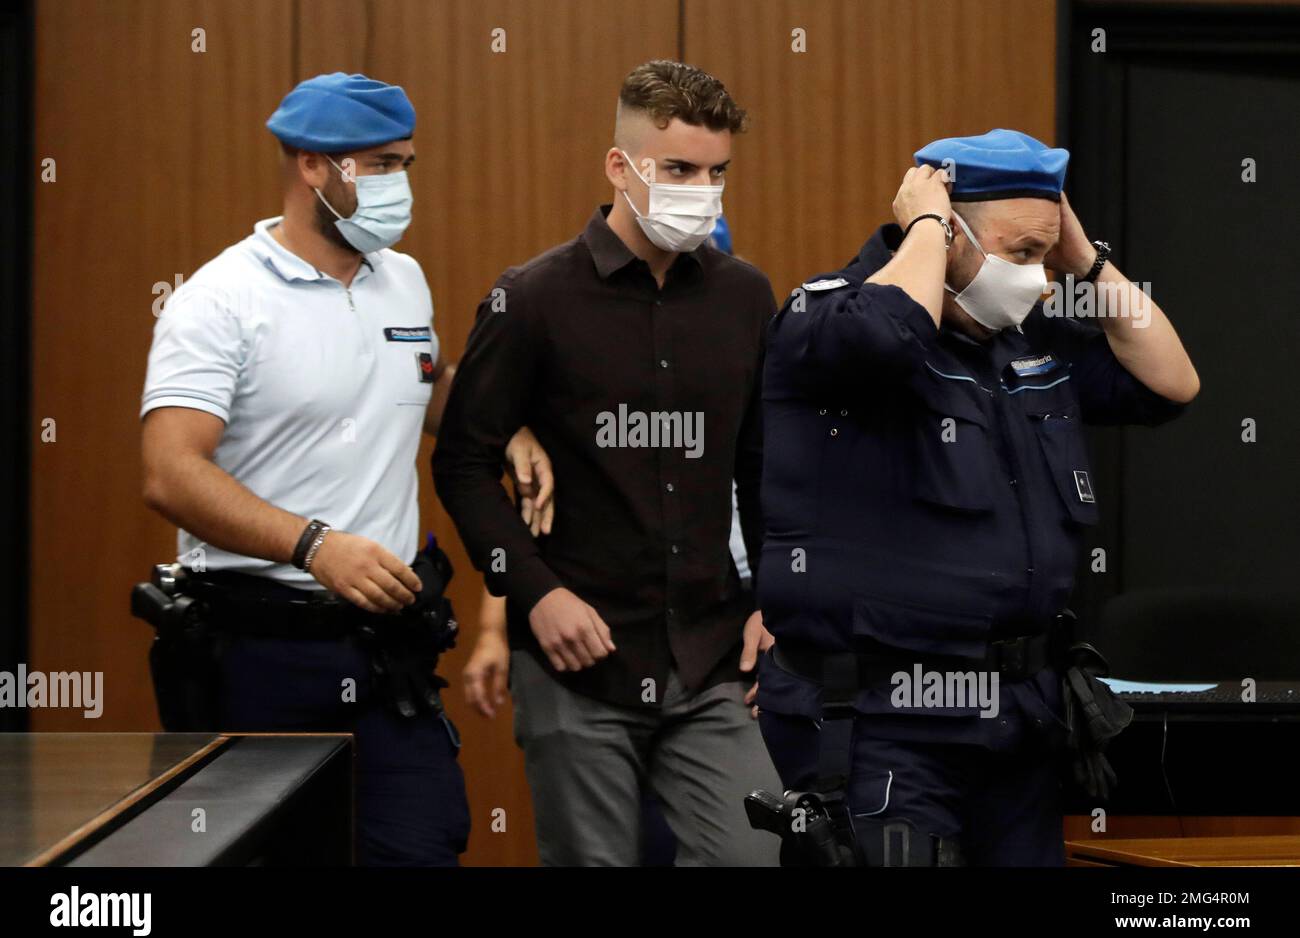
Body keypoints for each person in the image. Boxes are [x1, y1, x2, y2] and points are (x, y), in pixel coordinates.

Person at [754, 129, 1199, 866]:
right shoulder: (825, 318)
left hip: (1016, 718)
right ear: (950, 233)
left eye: (1045, 256)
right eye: (1021, 254)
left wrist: (1088, 260)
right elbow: (887, 340)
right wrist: (924, 224)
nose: (1039, 280)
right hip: (883, 722)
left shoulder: (1025, 345)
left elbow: (1170, 382)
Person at [139, 72, 545, 866]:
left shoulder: (401, 278)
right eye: (378, 165)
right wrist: (314, 545)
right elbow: (168, 471)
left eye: (405, 164)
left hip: (385, 654)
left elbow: (416, 382)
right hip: (259, 652)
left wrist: (504, 433)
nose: (398, 185)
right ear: (312, 166)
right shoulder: (220, 300)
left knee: (424, 845)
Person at [434, 60, 782, 866]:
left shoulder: (746, 298)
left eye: (717, 171)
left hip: (707, 655)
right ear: (619, 167)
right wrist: (536, 593)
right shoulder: (530, 299)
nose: (702, 188)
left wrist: (773, 597)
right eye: (679, 169)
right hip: (574, 658)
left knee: (755, 856)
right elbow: (461, 463)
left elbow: (762, 466)